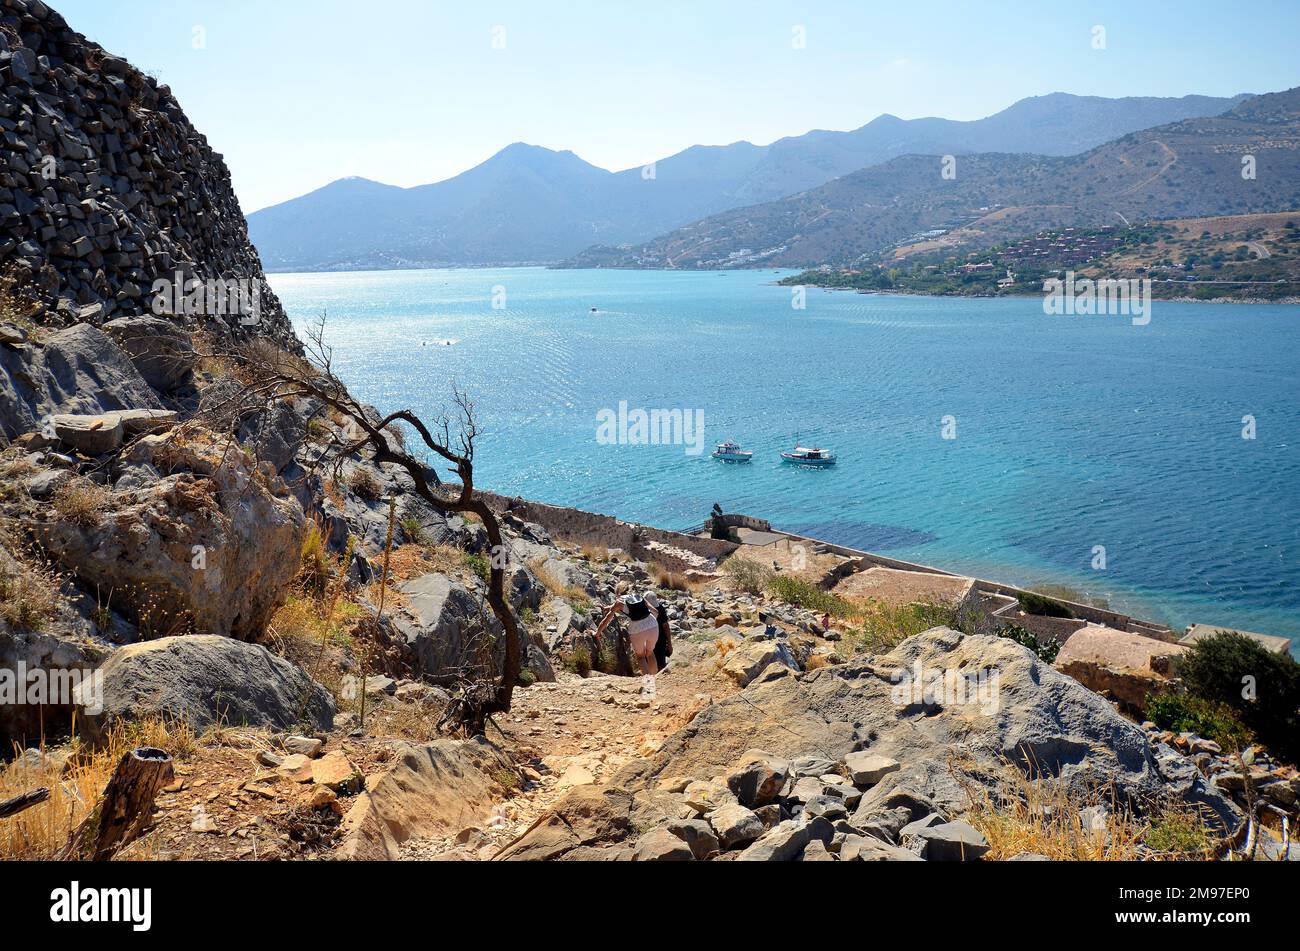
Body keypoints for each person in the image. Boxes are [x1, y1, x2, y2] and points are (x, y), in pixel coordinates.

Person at [596, 586, 663, 696]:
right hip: (652, 625)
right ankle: (655, 679)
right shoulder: (639, 597)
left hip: (636, 629)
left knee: (641, 656)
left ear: (618, 593)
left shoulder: (619, 602)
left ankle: (649, 687)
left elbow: (607, 619)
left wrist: (597, 632)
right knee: (650, 652)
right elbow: (655, 611)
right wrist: (650, 622)